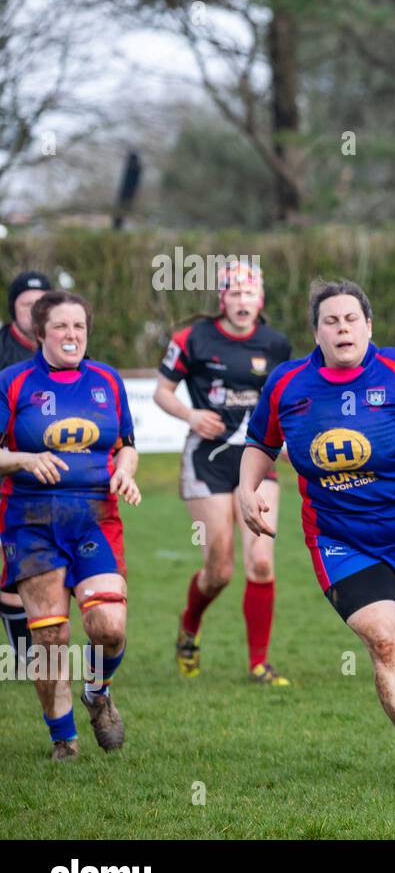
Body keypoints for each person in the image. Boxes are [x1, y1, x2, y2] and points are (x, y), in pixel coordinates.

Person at [238, 280, 395, 786]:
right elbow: (259, 444)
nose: (342, 329)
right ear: (316, 331)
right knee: (384, 641)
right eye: (330, 321)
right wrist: (247, 490)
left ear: (369, 326)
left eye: (351, 319)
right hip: (340, 541)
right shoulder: (288, 385)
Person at [0, 290, 141, 760]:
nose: (72, 335)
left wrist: (125, 470)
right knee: (51, 637)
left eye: (79, 326)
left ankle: (97, 691)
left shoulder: (107, 380)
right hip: (32, 522)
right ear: (40, 332)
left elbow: (126, 444)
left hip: (95, 519)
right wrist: (22, 459)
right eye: (61, 326)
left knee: (109, 625)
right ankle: (63, 738)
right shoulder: (13, 382)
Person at [154, 262, 293, 685]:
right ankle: (189, 626)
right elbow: (162, 391)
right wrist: (191, 415)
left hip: (257, 460)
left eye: (249, 294)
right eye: (234, 294)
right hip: (207, 460)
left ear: (260, 301)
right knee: (220, 570)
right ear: (222, 300)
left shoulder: (276, 344)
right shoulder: (193, 338)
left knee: (262, 563)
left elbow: (286, 398)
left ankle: (259, 663)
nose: (242, 301)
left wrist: (288, 442)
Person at [0, 271, 48, 654]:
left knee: (16, 572)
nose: (33, 311)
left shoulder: (62, 350)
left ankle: (24, 658)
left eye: (40, 303)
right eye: (25, 303)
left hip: (30, 476)